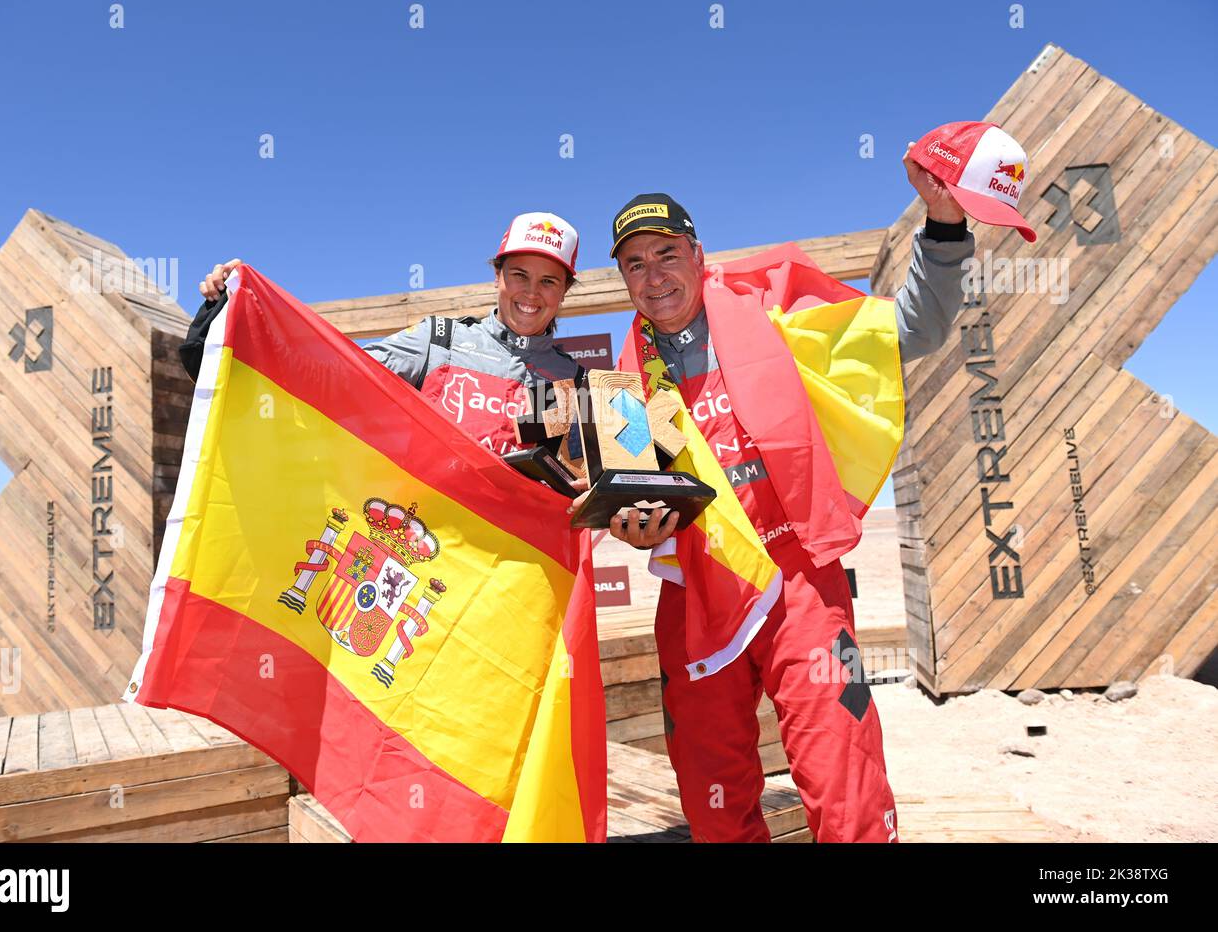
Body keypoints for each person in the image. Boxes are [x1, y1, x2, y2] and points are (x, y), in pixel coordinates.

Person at [584, 138, 1003, 842]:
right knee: (712, 797)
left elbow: (916, 328)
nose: (653, 275)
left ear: (697, 253)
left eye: (666, 254)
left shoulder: (776, 315)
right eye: (634, 263)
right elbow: (631, 504)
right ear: (622, 277)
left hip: (801, 582)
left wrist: (945, 227)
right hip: (697, 591)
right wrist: (633, 527)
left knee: (844, 779)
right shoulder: (621, 386)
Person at [181, 212, 587, 455]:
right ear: (496, 275)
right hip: (433, 557)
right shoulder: (440, 340)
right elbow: (334, 376)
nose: (532, 293)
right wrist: (241, 313)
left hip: (525, 569)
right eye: (519, 275)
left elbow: (590, 484)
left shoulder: (574, 381)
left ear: (565, 290)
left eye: (549, 281)